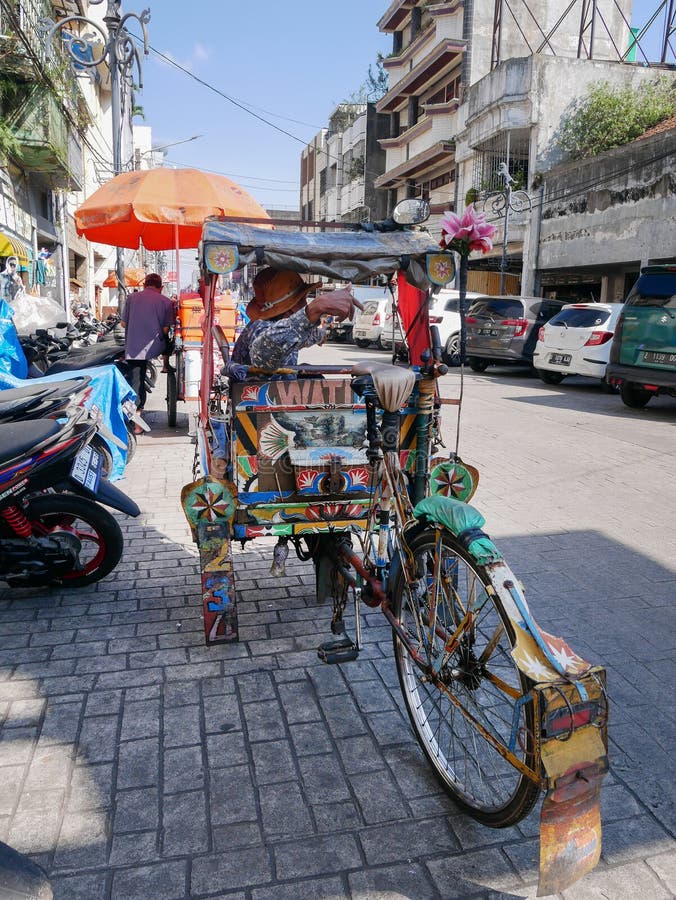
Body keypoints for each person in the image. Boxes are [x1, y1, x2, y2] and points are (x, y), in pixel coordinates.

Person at [232, 268, 362, 369]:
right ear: (291, 307)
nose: (305, 303)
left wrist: (321, 334)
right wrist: (312, 310)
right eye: (303, 299)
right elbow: (264, 352)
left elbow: (306, 335)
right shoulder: (261, 327)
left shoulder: (289, 329)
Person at [121, 273, 173, 432]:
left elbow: (123, 324)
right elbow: (166, 329)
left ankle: (135, 419)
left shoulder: (131, 298)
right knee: (169, 343)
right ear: (161, 287)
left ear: (144, 285)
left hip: (134, 348)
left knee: (136, 380)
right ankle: (165, 364)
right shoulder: (166, 302)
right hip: (155, 346)